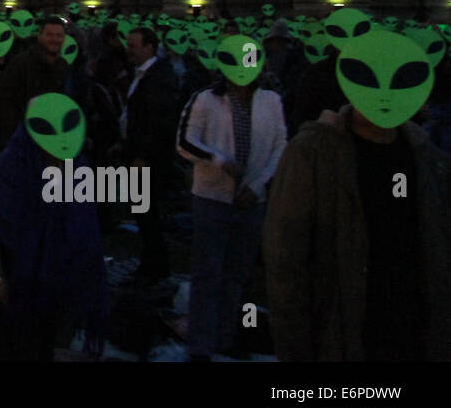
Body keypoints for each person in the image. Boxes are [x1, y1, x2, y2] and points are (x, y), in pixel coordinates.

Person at [264, 30, 451, 361]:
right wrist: (294, 345)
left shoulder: (428, 157)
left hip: (414, 327)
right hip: (343, 328)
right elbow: (285, 255)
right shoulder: (312, 154)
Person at [0, 93, 110, 360]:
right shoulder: (13, 166)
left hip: (53, 282)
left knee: (42, 346)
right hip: (14, 279)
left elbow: (85, 227)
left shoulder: (77, 166)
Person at [176, 34, 286, 360]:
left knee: (238, 276)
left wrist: (259, 185)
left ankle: (229, 336)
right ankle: (200, 345)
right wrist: (220, 161)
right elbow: (185, 141)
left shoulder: (271, 100)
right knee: (207, 273)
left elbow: (281, 145)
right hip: (212, 198)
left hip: (252, 199)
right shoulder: (206, 99)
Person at [121, 26, 179, 284]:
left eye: (133, 46)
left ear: (149, 47)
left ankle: (155, 266)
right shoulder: (144, 73)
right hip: (137, 153)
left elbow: (158, 121)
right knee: (142, 211)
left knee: (148, 212)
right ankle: (151, 262)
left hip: (148, 160)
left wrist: (143, 155)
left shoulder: (159, 76)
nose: (128, 50)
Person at [0, 16, 70, 139]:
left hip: (53, 133)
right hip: (25, 134)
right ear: (40, 36)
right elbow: (3, 101)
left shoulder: (62, 65)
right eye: (49, 35)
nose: (55, 39)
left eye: (59, 35)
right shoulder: (21, 63)